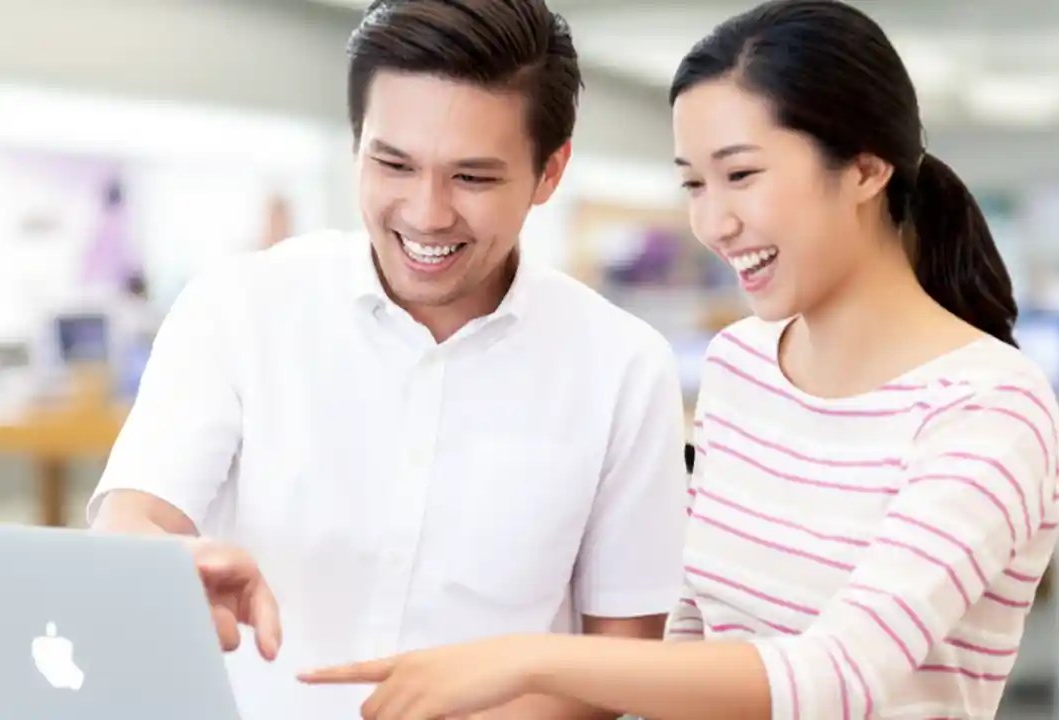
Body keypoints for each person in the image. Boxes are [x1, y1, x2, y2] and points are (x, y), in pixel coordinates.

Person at [300, 2, 1059, 718]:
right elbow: (693, 630)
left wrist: (527, 662)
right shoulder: (741, 365)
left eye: (741, 176)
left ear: (866, 169)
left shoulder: (989, 406)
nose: (714, 222)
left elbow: (839, 677)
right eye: (693, 184)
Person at [87, 1, 686, 718]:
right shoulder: (238, 306)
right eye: (394, 164)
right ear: (355, 144)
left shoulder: (623, 367)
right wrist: (161, 566)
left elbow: (620, 658)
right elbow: (133, 515)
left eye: (473, 178)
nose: (427, 213)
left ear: (549, 171)